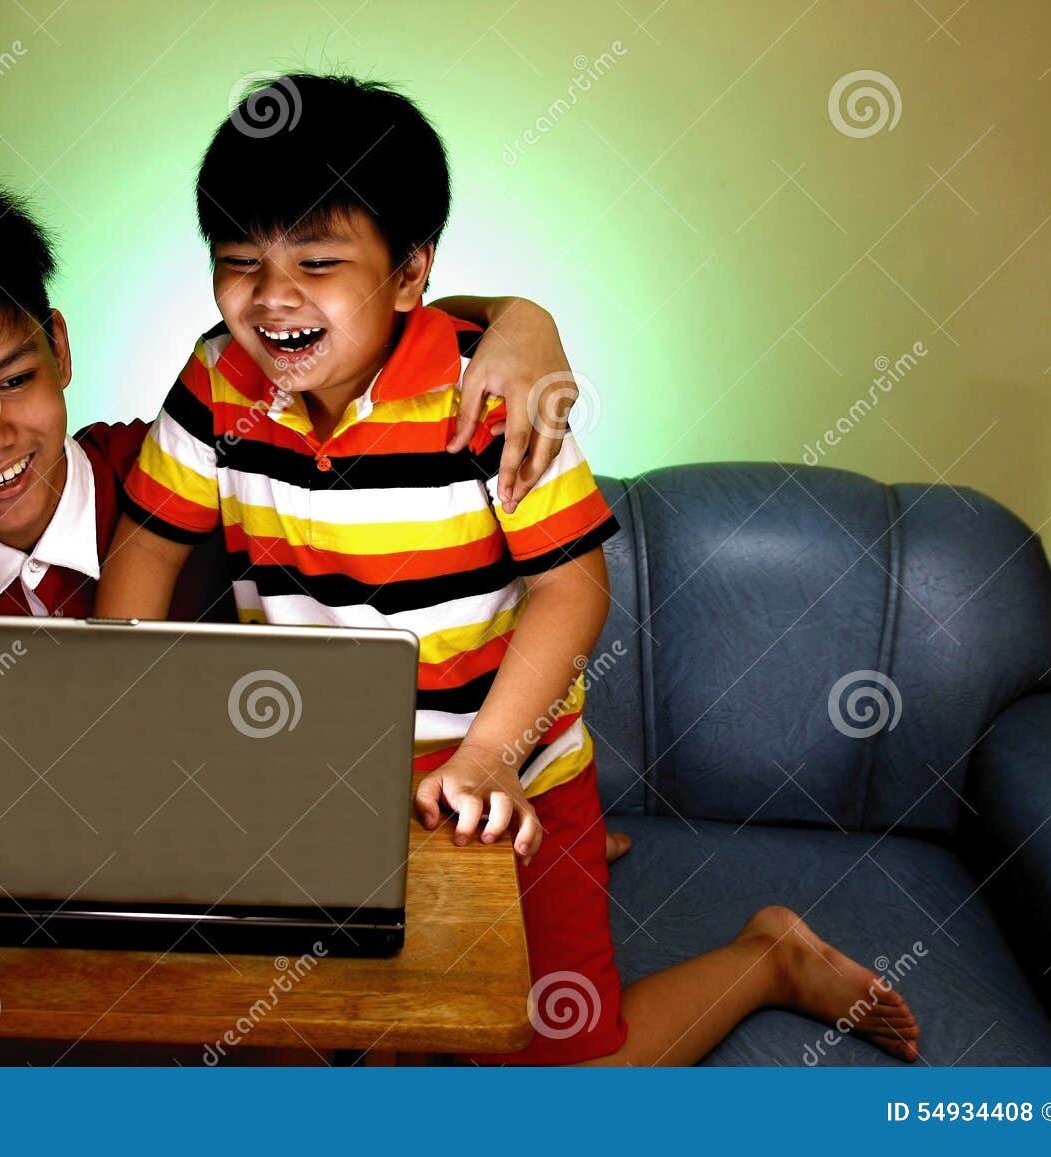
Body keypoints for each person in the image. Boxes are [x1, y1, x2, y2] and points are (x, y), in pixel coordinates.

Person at [0, 149, 595, 1065]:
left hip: (207, 895)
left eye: (13, 381)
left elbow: (357, 328)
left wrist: (519, 318)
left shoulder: (196, 470)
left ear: (60, 347)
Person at [95, 73, 921, 1065]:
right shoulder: (214, 380)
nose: (272, 299)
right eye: (238, 265)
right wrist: (130, 715)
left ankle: (765, 955)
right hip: (305, 792)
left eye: (317, 262)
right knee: (277, 1047)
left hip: (502, 778)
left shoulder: (490, 392)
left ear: (408, 275)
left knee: (569, 1083)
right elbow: (147, 542)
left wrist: (488, 753)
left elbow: (571, 585)